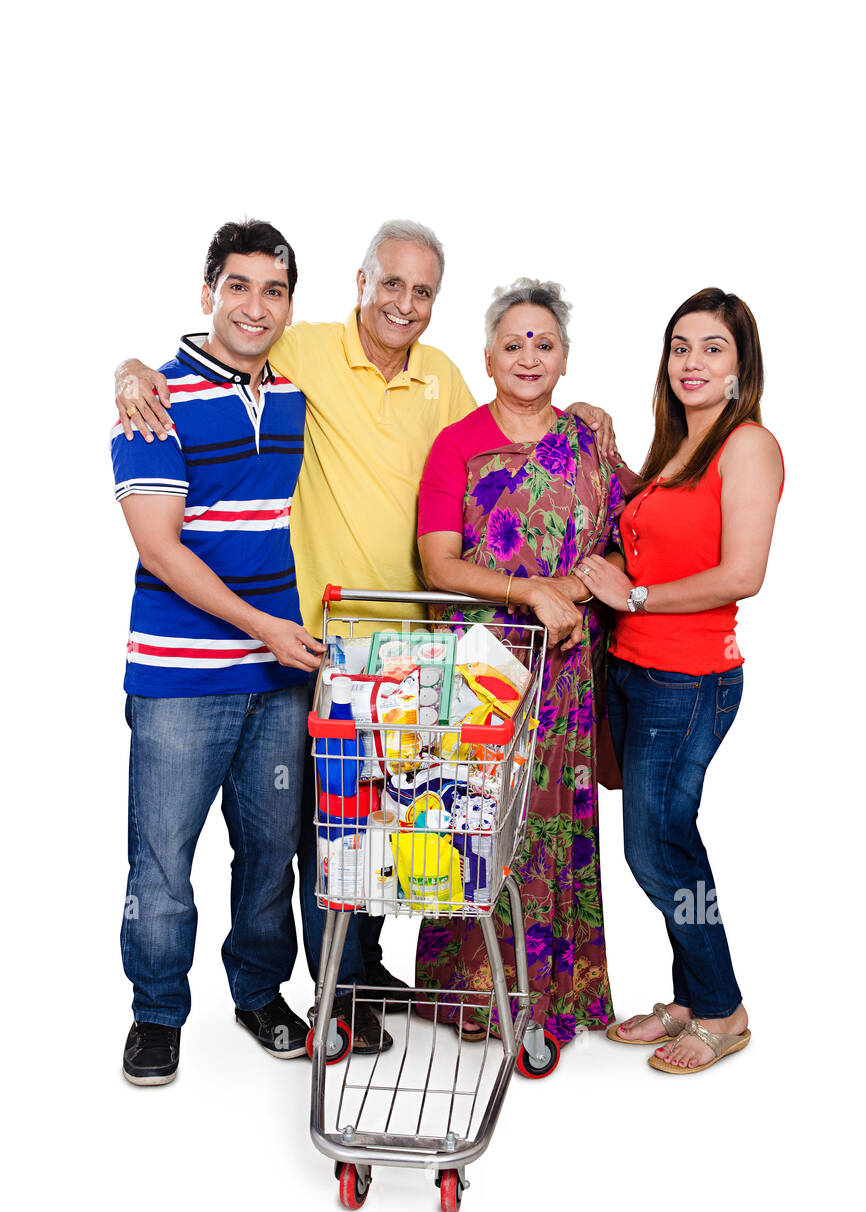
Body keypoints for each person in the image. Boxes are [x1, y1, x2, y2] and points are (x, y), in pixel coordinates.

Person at [114, 222, 618, 1052]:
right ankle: (180, 1010)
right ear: (360, 282)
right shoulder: (303, 350)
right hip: (310, 639)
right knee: (253, 837)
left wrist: (578, 420)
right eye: (391, 284)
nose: (404, 304)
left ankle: (348, 975)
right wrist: (130, 370)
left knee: (369, 827)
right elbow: (219, 352)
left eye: (422, 292)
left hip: (412, 652)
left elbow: (495, 445)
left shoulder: (440, 376)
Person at [112, 219, 325, 1086]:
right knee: (163, 859)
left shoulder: (296, 395)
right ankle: (157, 1011)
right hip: (179, 678)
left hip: (278, 680)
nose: (255, 305)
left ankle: (259, 992)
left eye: (273, 290)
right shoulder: (152, 402)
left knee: (270, 851)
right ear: (209, 294)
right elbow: (162, 549)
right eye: (238, 286)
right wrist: (268, 627)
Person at [413, 279, 638, 1044]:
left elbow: (630, 534)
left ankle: (551, 993)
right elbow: (438, 563)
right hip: (484, 672)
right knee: (478, 822)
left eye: (544, 343)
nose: (529, 356)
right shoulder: (458, 444)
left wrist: (572, 587)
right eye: (513, 344)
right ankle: (471, 993)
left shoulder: (589, 442)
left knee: (551, 823)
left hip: (569, 672)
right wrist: (527, 589)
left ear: (567, 357)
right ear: (488, 358)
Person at [579, 287, 783, 1074]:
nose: (692, 362)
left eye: (713, 349)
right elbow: (649, 523)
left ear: (741, 369)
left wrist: (629, 595)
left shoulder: (749, 446)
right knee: (664, 838)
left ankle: (722, 1007)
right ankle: (689, 999)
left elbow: (742, 573)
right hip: (634, 670)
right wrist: (599, 433)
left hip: (688, 680)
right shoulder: (677, 450)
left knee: (660, 850)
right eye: (681, 348)